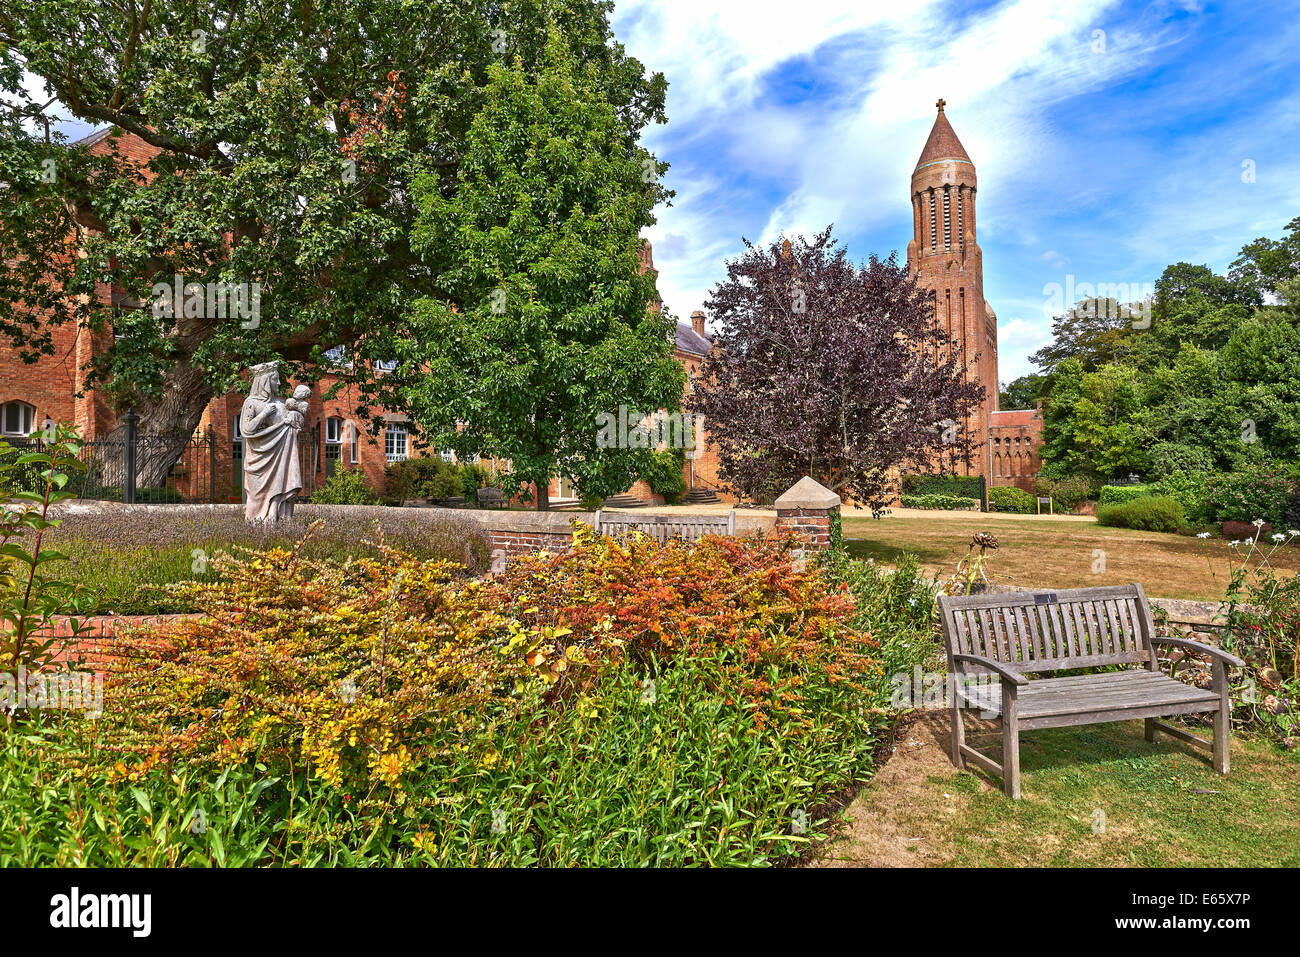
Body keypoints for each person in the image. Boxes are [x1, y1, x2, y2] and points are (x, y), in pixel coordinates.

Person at [239, 362, 306, 523]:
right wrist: (264, 414)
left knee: (279, 490)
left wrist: (295, 425)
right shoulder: (251, 403)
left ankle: (277, 520)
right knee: (256, 495)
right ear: (265, 382)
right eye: (276, 380)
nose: (279, 383)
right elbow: (247, 430)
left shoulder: (281, 404)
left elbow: (288, 428)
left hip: (279, 457)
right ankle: (256, 526)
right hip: (259, 458)